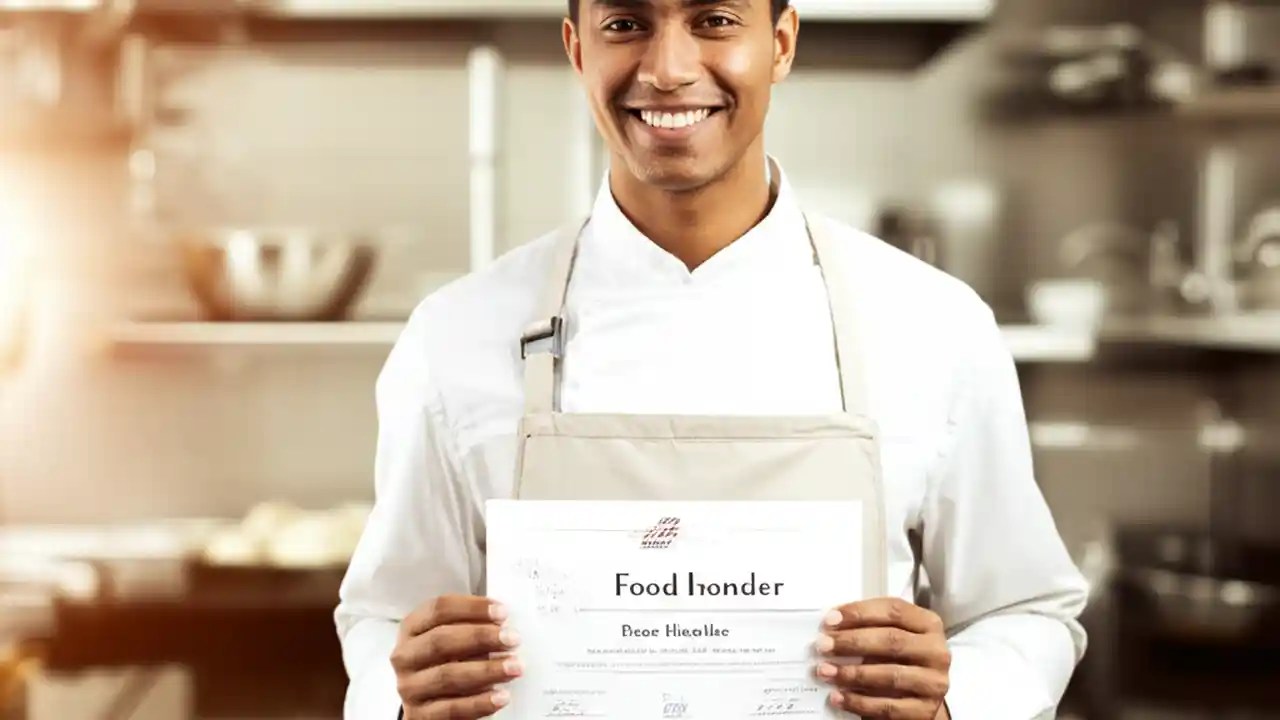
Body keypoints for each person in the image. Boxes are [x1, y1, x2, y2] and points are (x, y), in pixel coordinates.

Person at [335, 0, 1090, 718]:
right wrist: (403, 698)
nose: (667, 68)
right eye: (626, 22)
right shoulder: (456, 334)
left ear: (782, 42)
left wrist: (956, 697)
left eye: (715, 20)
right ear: (577, 48)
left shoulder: (934, 324)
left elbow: (1026, 612)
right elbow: (383, 619)